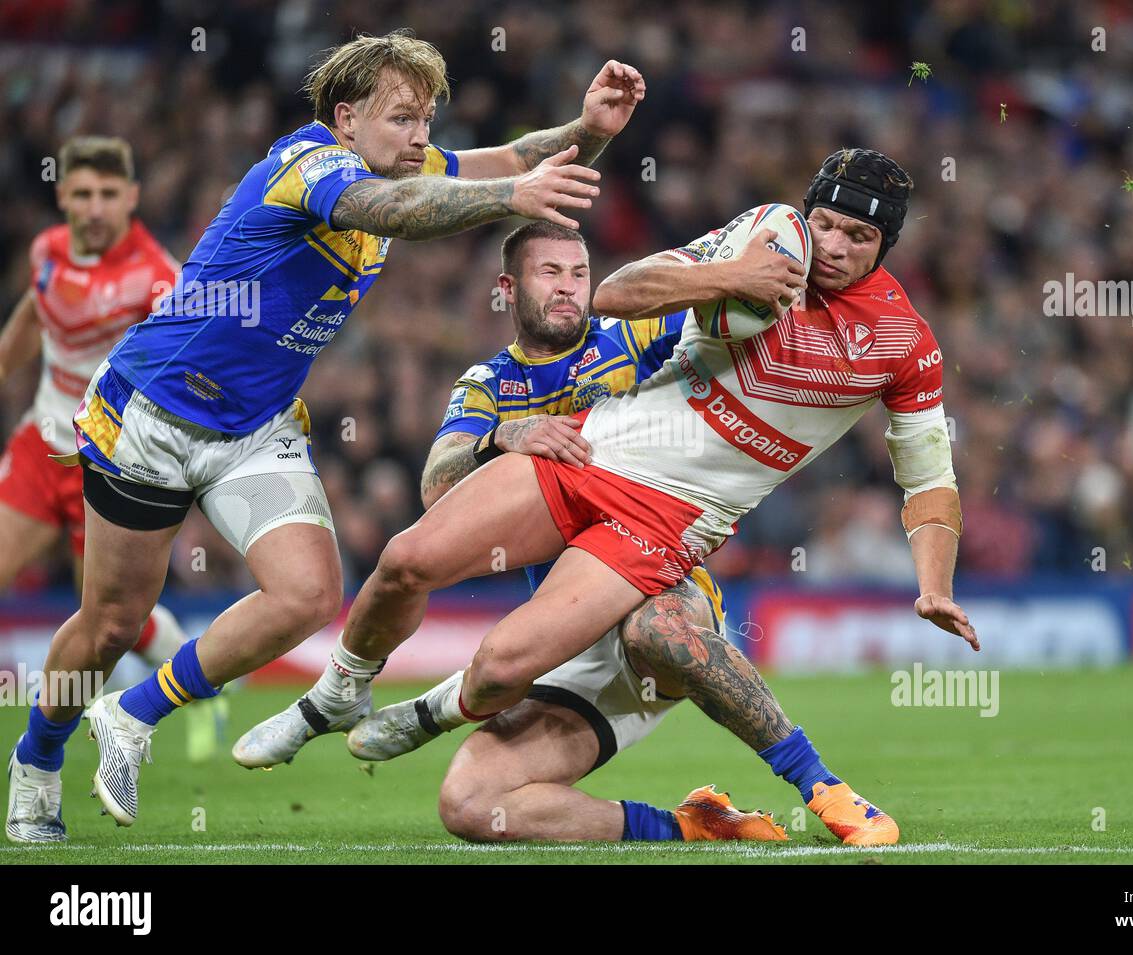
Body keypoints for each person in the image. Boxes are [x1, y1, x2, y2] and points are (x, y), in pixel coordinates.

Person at [5, 28, 645, 843]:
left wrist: (590, 130)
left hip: (255, 425)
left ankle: (133, 712)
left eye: (427, 120)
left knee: (308, 595)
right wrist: (510, 200)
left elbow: (513, 157)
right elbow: (395, 212)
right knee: (110, 622)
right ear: (345, 119)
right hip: (154, 413)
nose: (421, 138)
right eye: (403, 119)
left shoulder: (404, 166)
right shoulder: (309, 168)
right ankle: (36, 762)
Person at [259, 148, 974, 846]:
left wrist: (933, 586)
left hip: (665, 517)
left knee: (507, 663)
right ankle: (335, 693)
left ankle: (434, 712)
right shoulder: (766, 234)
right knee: (407, 559)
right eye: (825, 223)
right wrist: (734, 274)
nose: (834, 245)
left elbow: (930, 479)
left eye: (860, 236)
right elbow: (616, 292)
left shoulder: (903, 344)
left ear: (886, 249)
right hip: (592, 449)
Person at [2, 137, 222, 844]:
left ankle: (189, 678)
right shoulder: (45, 252)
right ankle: (39, 767)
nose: (94, 208)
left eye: (108, 194)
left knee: (108, 625)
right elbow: (32, 323)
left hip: (109, 457)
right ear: (62, 196)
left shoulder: (159, 278)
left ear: (131, 197)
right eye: (81, 194)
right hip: (42, 444)